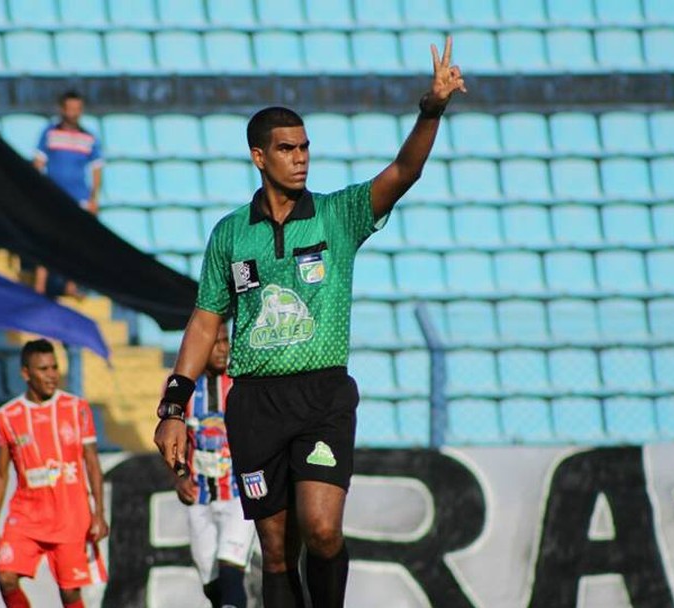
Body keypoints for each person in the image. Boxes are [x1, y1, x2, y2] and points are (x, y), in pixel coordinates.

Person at [155, 37, 465, 608]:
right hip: (254, 403)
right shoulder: (230, 233)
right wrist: (174, 406)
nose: (300, 157)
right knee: (276, 551)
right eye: (286, 148)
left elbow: (404, 171)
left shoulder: (337, 214)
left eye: (304, 147)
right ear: (259, 157)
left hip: (322, 395)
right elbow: (204, 322)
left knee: (321, 530)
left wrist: (432, 109)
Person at [0, 339, 108, 608]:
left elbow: (92, 462)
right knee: (6, 577)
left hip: (70, 516)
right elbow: (0, 473)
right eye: (43, 369)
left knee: (70, 593)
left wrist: (99, 513)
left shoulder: (77, 408)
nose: (52, 374)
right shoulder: (7, 416)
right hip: (26, 516)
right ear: (26, 373)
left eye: (54, 367)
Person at [174, 324, 255, 608]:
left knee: (231, 573)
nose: (223, 349)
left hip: (238, 495)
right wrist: (180, 475)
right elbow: (171, 438)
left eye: (225, 341)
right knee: (213, 586)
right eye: (215, 343)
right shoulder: (181, 388)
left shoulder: (241, 383)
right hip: (199, 497)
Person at [31, 90, 104, 299]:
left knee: (76, 243)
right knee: (45, 240)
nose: (73, 113)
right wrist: (35, 190)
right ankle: (39, 285)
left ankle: (71, 285)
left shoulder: (89, 137)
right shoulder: (49, 133)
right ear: (62, 109)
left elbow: (96, 170)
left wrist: (93, 198)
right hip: (52, 197)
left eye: (77, 109)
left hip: (78, 198)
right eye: (70, 108)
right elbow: (38, 162)